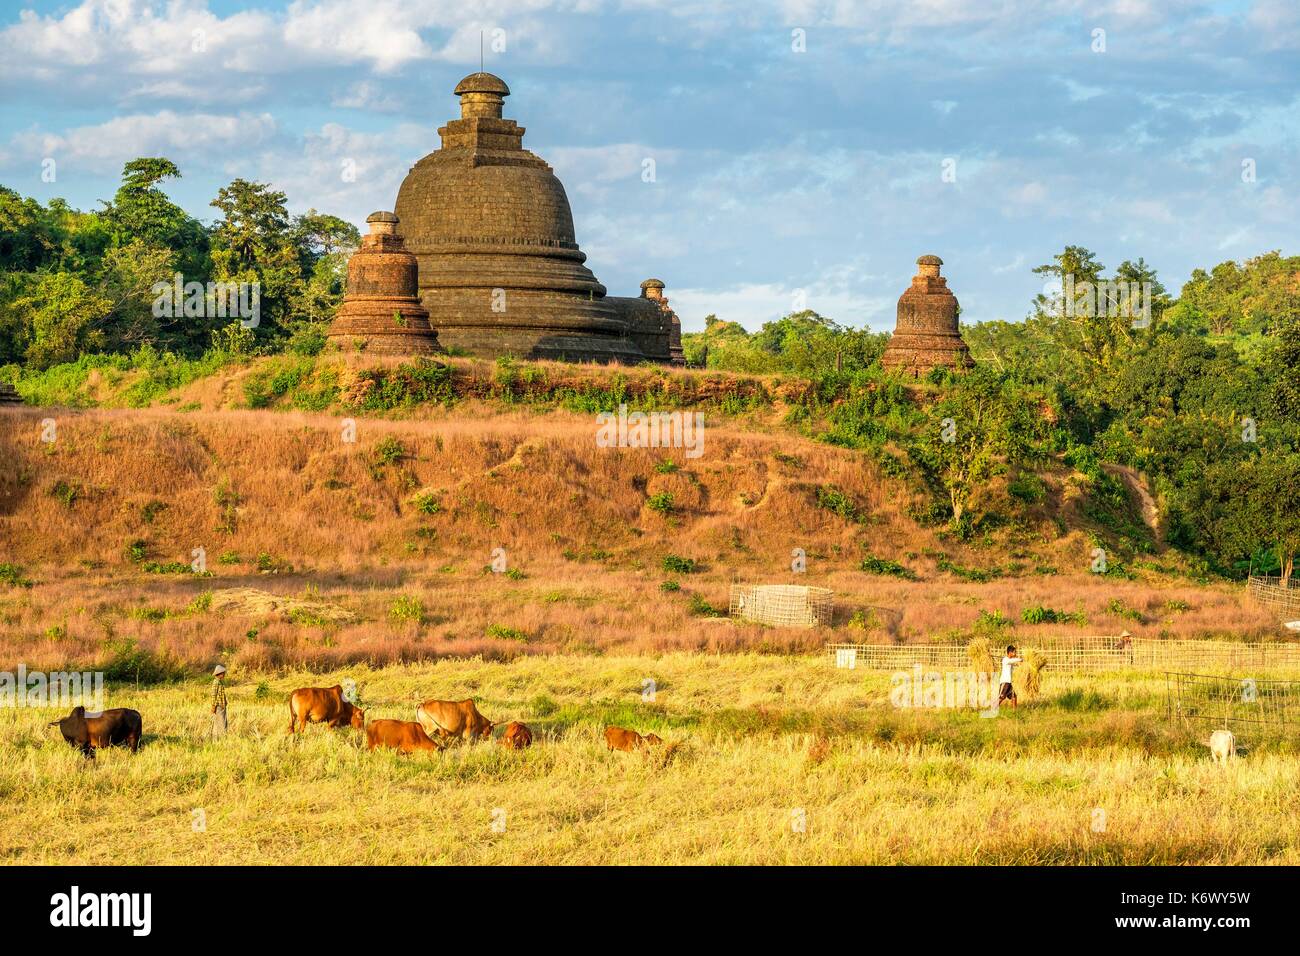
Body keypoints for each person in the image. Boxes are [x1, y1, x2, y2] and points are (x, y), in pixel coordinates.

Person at [997, 645, 1023, 709]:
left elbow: (1013, 662)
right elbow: (1013, 661)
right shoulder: (1005, 660)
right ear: (1010, 652)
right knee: (1001, 697)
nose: (1015, 653)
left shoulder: (1010, 660)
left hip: (1009, 683)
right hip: (1005, 682)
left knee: (1014, 697)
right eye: (1014, 652)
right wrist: (1020, 659)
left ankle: (1015, 712)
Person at [211, 664, 228, 738]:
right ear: (219, 674)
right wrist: (213, 706)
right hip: (218, 706)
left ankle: (218, 737)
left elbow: (221, 694)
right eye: (223, 673)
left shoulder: (220, 682)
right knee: (220, 722)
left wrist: (225, 701)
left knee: (222, 721)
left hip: (222, 705)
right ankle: (221, 737)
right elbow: (214, 695)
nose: (224, 674)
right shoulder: (215, 682)